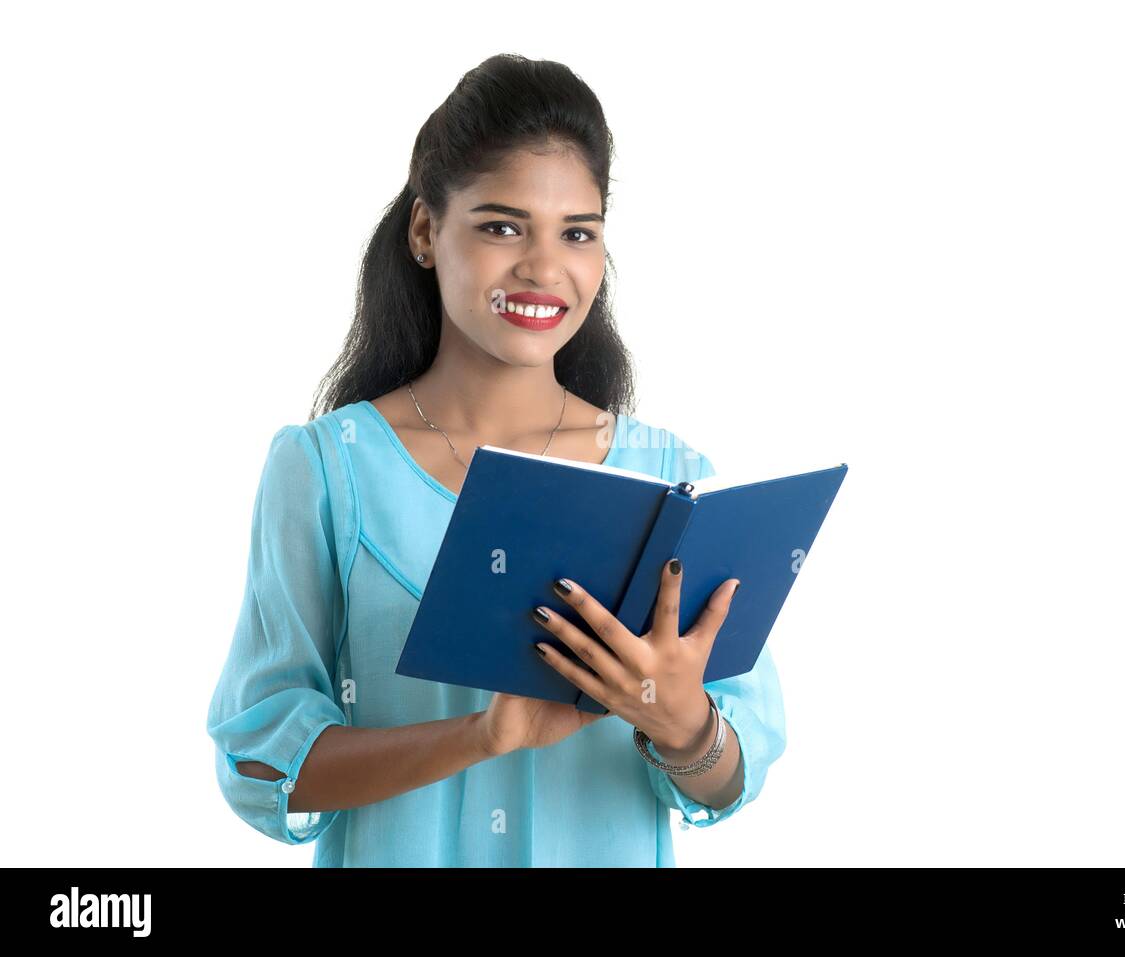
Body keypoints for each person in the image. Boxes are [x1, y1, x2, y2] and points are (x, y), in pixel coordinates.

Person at [206, 53, 786, 867]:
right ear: (423, 231)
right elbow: (261, 762)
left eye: (576, 233)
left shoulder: (669, 482)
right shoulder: (325, 470)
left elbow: (727, 779)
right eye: (501, 226)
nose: (544, 268)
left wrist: (681, 719)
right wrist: (483, 736)